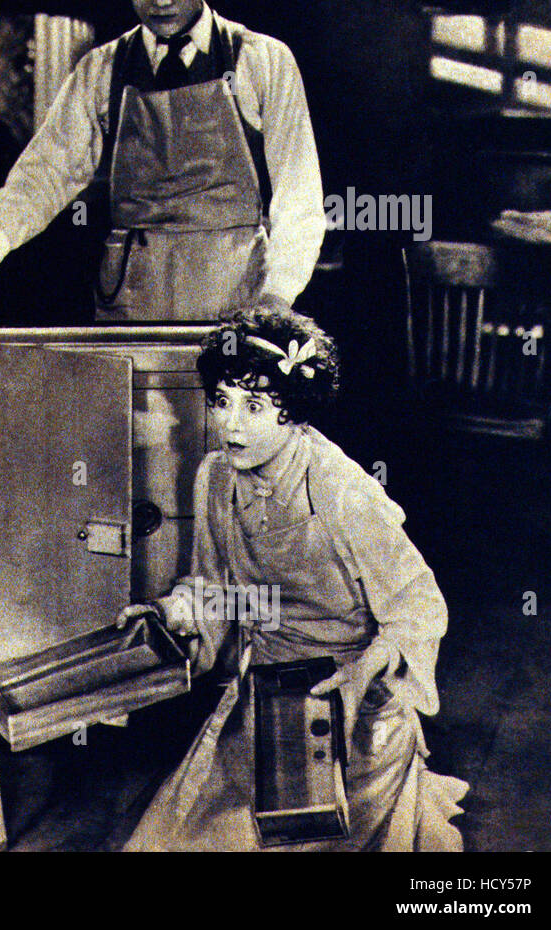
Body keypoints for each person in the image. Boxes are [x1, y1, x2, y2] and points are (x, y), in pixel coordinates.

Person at [120, 308, 468, 851]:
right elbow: (214, 594)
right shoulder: (213, 477)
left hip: (357, 696)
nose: (230, 425)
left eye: (254, 407)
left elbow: (421, 609)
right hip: (268, 692)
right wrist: (167, 615)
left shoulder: (342, 489)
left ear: (296, 415)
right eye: (221, 402)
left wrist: (357, 680)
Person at [0, 0, 326, 322]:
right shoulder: (102, 68)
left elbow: (299, 197)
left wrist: (276, 300)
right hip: (131, 304)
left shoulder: (263, 60)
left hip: (236, 299)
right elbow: (45, 172)